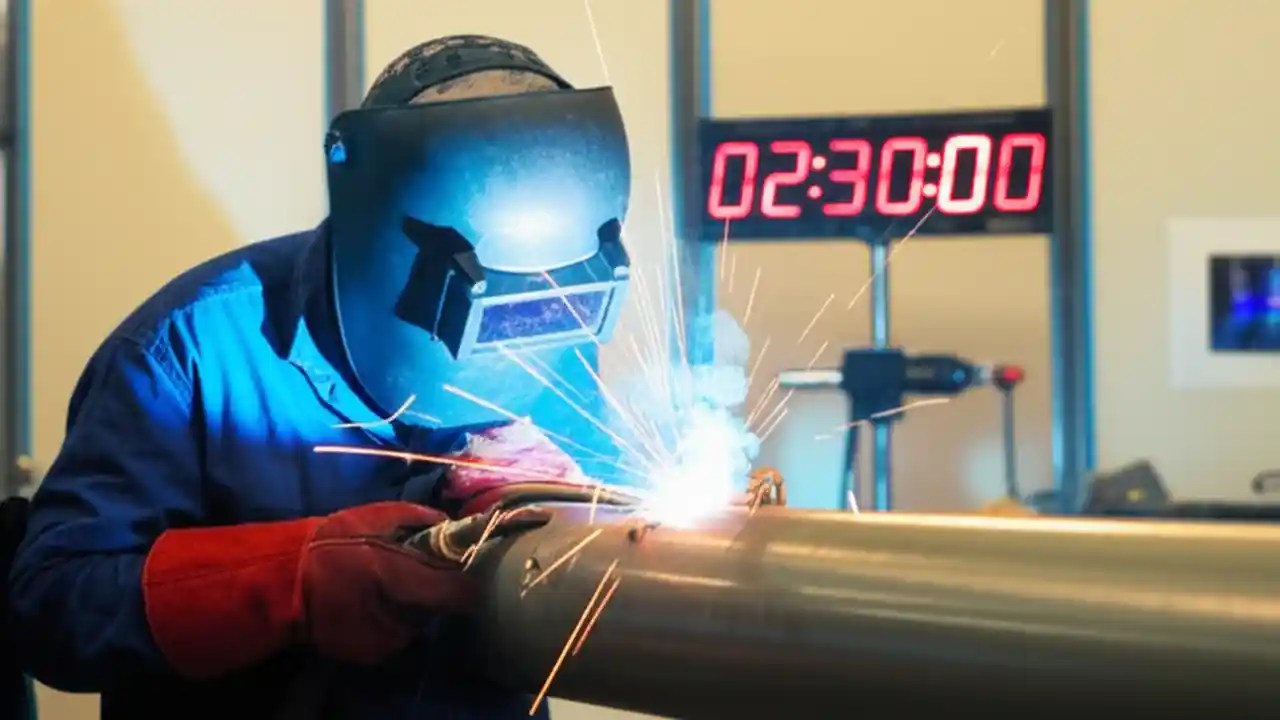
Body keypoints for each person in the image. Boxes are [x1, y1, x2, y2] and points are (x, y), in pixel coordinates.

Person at [8, 35, 635, 719]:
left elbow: (605, 538)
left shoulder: (556, 326)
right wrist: (290, 580)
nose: (515, 331)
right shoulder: (189, 352)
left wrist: (568, 515)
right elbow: (52, 605)